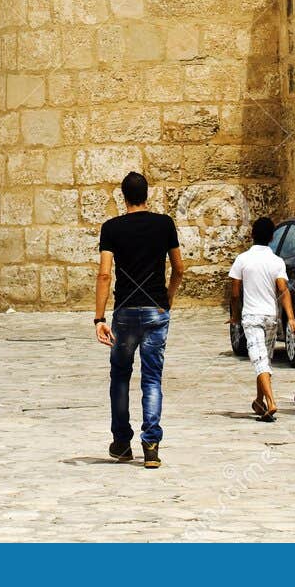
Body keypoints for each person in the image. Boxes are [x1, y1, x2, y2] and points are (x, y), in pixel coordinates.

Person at [95, 171, 184, 469]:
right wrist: (167, 299)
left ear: (123, 196)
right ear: (148, 194)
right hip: (156, 310)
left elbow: (105, 274)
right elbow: (179, 269)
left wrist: (98, 317)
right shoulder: (164, 224)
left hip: (125, 311)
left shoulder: (111, 228)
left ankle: (121, 442)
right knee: (152, 378)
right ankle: (151, 445)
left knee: (120, 376)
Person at [228, 216, 295, 423]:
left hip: (252, 317)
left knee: (260, 360)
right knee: (264, 359)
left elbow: (235, 293)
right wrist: (291, 318)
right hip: (271, 317)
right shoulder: (276, 261)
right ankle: (259, 400)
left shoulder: (242, 260)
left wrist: (235, 315)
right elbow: (283, 290)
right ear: (272, 237)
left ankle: (271, 402)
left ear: (252, 235)